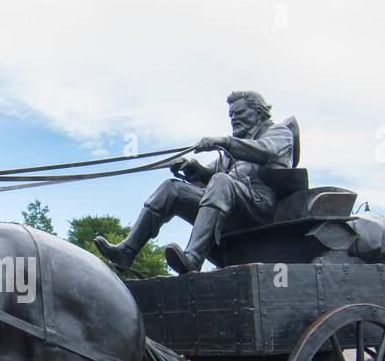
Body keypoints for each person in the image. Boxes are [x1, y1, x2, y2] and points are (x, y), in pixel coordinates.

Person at [95, 90, 298, 274]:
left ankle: (192, 259)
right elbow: (212, 177)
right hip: (230, 207)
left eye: (239, 113)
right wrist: (193, 168)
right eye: (231, 115)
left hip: (259, 206)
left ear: (258, 113)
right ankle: (127, 251)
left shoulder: (279, 132)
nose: (233, 119)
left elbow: (265, 151)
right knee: (172, 187)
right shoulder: (231, 151)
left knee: (221, 180)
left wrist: (223, 141)